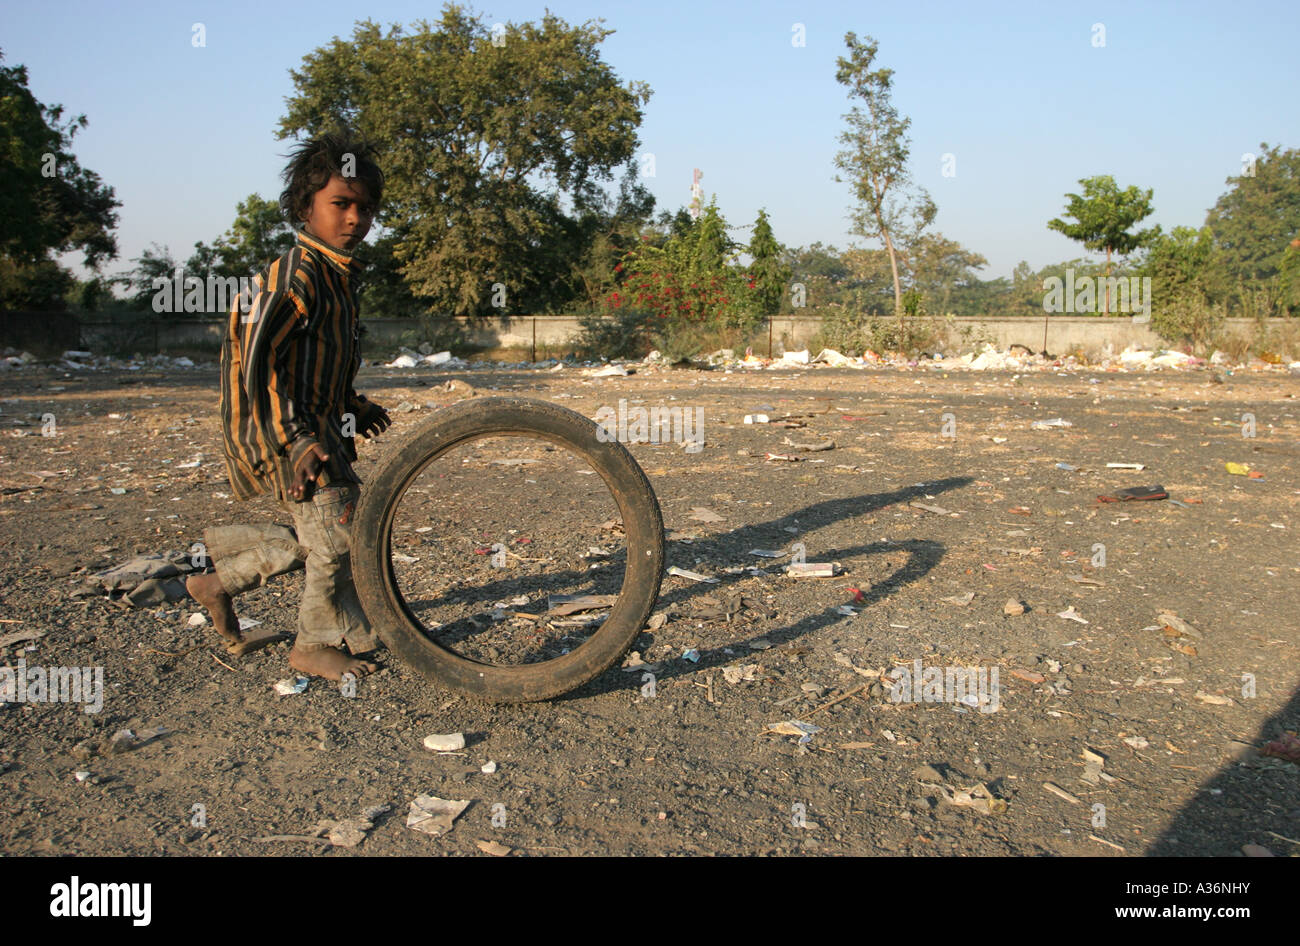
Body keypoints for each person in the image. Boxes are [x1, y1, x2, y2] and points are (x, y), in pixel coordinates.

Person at [186, 130, 391, 682]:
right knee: (336, 529)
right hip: (280, 430)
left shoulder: (336, 278)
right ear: (306, 208)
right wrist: (294, 439)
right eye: (340, 204)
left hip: (318, 425)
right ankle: (312, 645)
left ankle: (217, 582)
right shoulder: (294, 275)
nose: (355, 219)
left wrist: (353, 404)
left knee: (327, 529)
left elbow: (318, 362)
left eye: (365, 208)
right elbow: (259, 368)